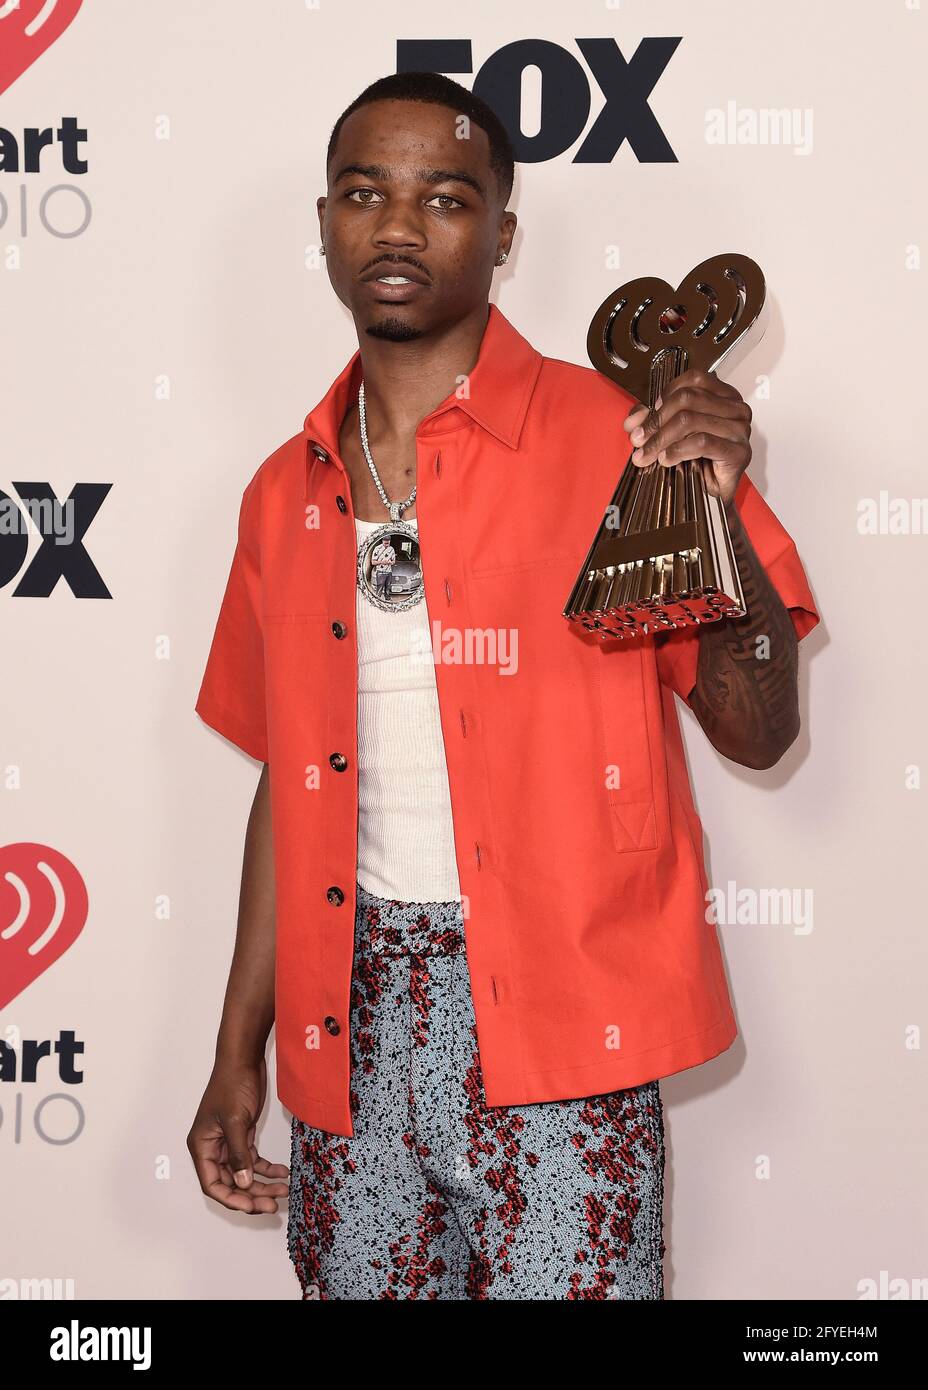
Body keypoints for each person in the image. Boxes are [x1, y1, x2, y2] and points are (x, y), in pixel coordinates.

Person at [187, 71, 821, 1300]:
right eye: (365, 194)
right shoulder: (284, 489)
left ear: (502, 235)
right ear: (324, 224)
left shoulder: (623, 439)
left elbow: (760, 729)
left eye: (445, 198)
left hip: (568, 1027)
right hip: (347, 1030)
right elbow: (286, 778)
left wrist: (720, 506)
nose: (397, 226)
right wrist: (235, 1050)